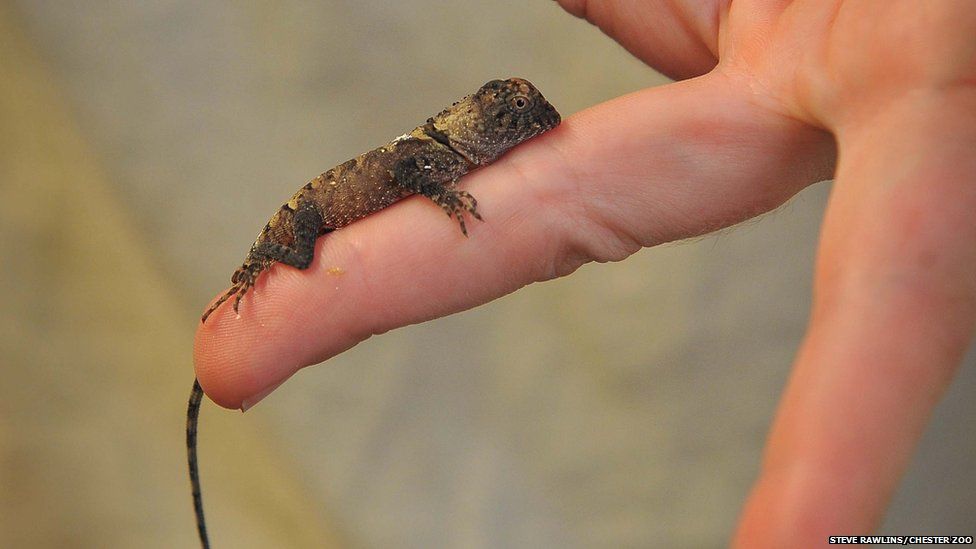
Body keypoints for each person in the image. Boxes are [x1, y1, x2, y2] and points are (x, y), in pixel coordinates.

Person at [195, 1, 976, 546]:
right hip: (308, 219)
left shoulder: (442, 148)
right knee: (287, 267)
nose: (525, 130)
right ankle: (257, 267)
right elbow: (407, 174)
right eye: (510, 124)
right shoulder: (430, 158)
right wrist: (444, 196)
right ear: (480, 130)